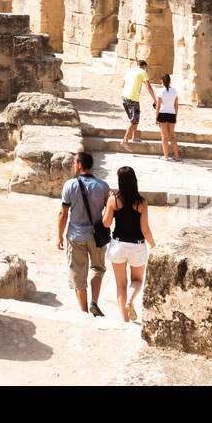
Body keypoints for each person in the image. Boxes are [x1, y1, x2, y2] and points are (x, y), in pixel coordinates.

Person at [57, 152, 110, 317]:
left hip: (76, 236)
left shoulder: (69, 185)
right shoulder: (103, 186)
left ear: (80, 165)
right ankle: (94, 302)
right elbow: (109, 212)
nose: (74, 165)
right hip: (97, 237)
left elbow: (63, 214)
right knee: (98, 268)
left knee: (79, 277)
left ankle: (84, 313)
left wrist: (59, 235)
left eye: (74, 162)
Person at [102, 165, 156, 322]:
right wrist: (153, 244)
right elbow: (145, 229)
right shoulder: (142, 202)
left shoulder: (113, 200)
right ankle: (130, 300)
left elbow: (106, 223)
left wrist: (107, 204)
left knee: (120, 284)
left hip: (118, 245)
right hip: (137, 246)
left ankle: (124, 320)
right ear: (134, 181)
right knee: (137, 281)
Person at [120, 58, 157, 146]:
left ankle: (134, 137)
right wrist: (155, 99)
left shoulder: (129, 70)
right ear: (144, 66)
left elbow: (122, 85)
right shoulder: (143, 72)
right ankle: (125, 140)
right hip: (133, 98)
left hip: (124, 97)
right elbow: (148, 86)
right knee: (134, 120)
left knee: (134, 118)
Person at [156, 73, 180, 161]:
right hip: (172, 114)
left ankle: (166, 157)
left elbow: (158, 106)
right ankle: (177, 156)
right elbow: (176, 106)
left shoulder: (160, 91)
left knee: (164, 137)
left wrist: (156, 118)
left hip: (162, 114)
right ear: (170, 81)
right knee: (172, 136)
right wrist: (175, 117)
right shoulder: (175, 91)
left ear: (162, 81)